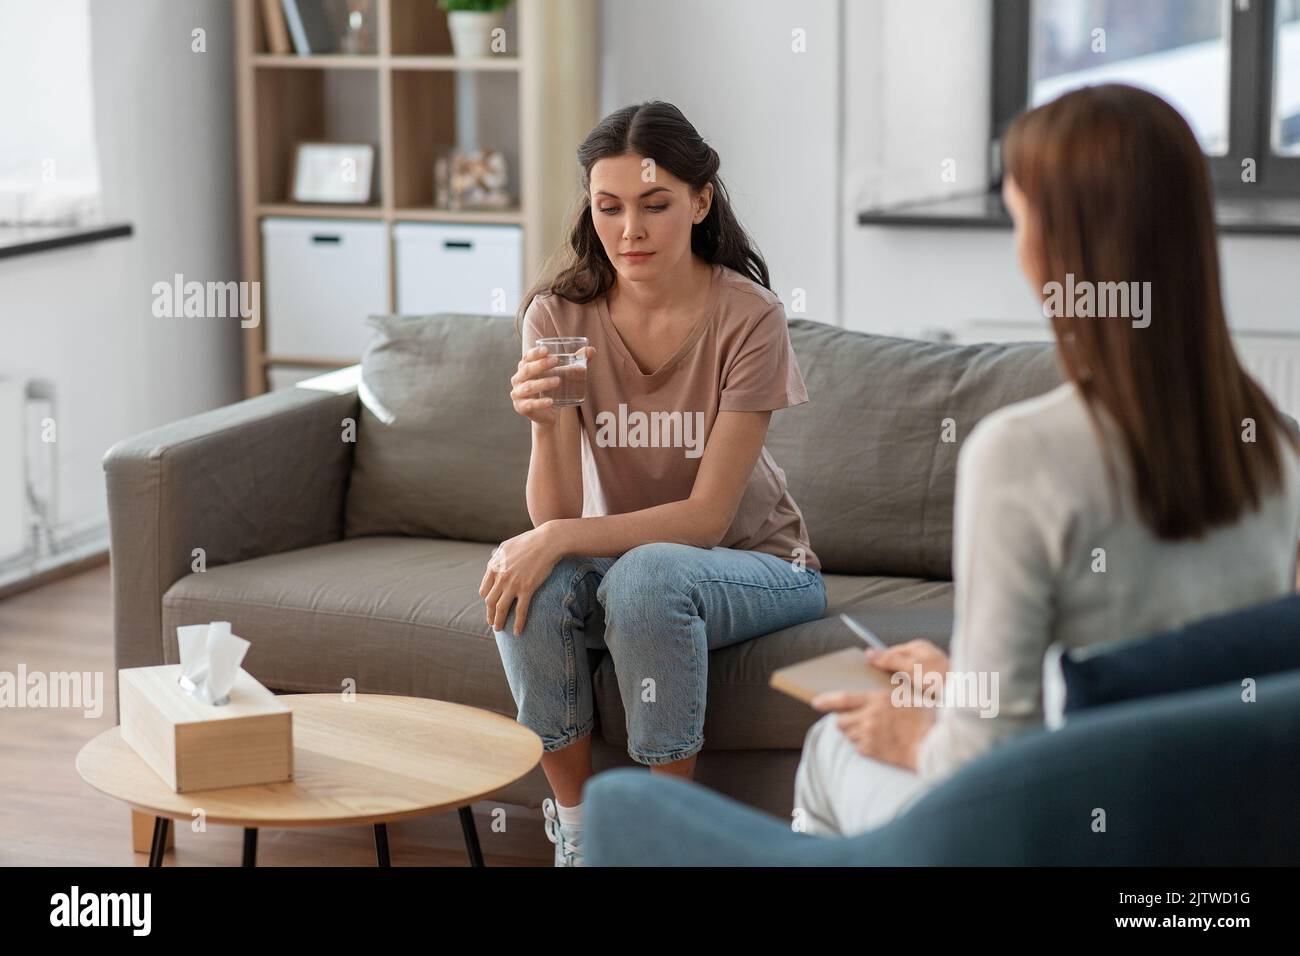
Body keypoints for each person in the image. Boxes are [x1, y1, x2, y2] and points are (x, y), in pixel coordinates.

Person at [794, 83, 1300, 837]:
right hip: (1200, 828)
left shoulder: (1021, 455)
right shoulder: (1272, 444)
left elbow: (985, 760)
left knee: (828, 745)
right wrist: (966, 684)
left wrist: (915, 737)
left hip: (1049, 833)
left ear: (1058, 248)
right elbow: (1151, 681)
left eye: (1021, 219)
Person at [481, 101, 828, 864]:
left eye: (654, 205)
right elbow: (557, 510)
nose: (629, 231)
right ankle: (579, 835)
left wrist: (558, 539)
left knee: (642, 577)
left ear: (701, 202)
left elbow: (705, 520)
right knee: (530, 578)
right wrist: (546, 424)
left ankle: (660, 842)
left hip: (764, 566)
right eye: (608, 208)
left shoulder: (750, 317)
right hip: (625, 560)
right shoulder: (561, 314)